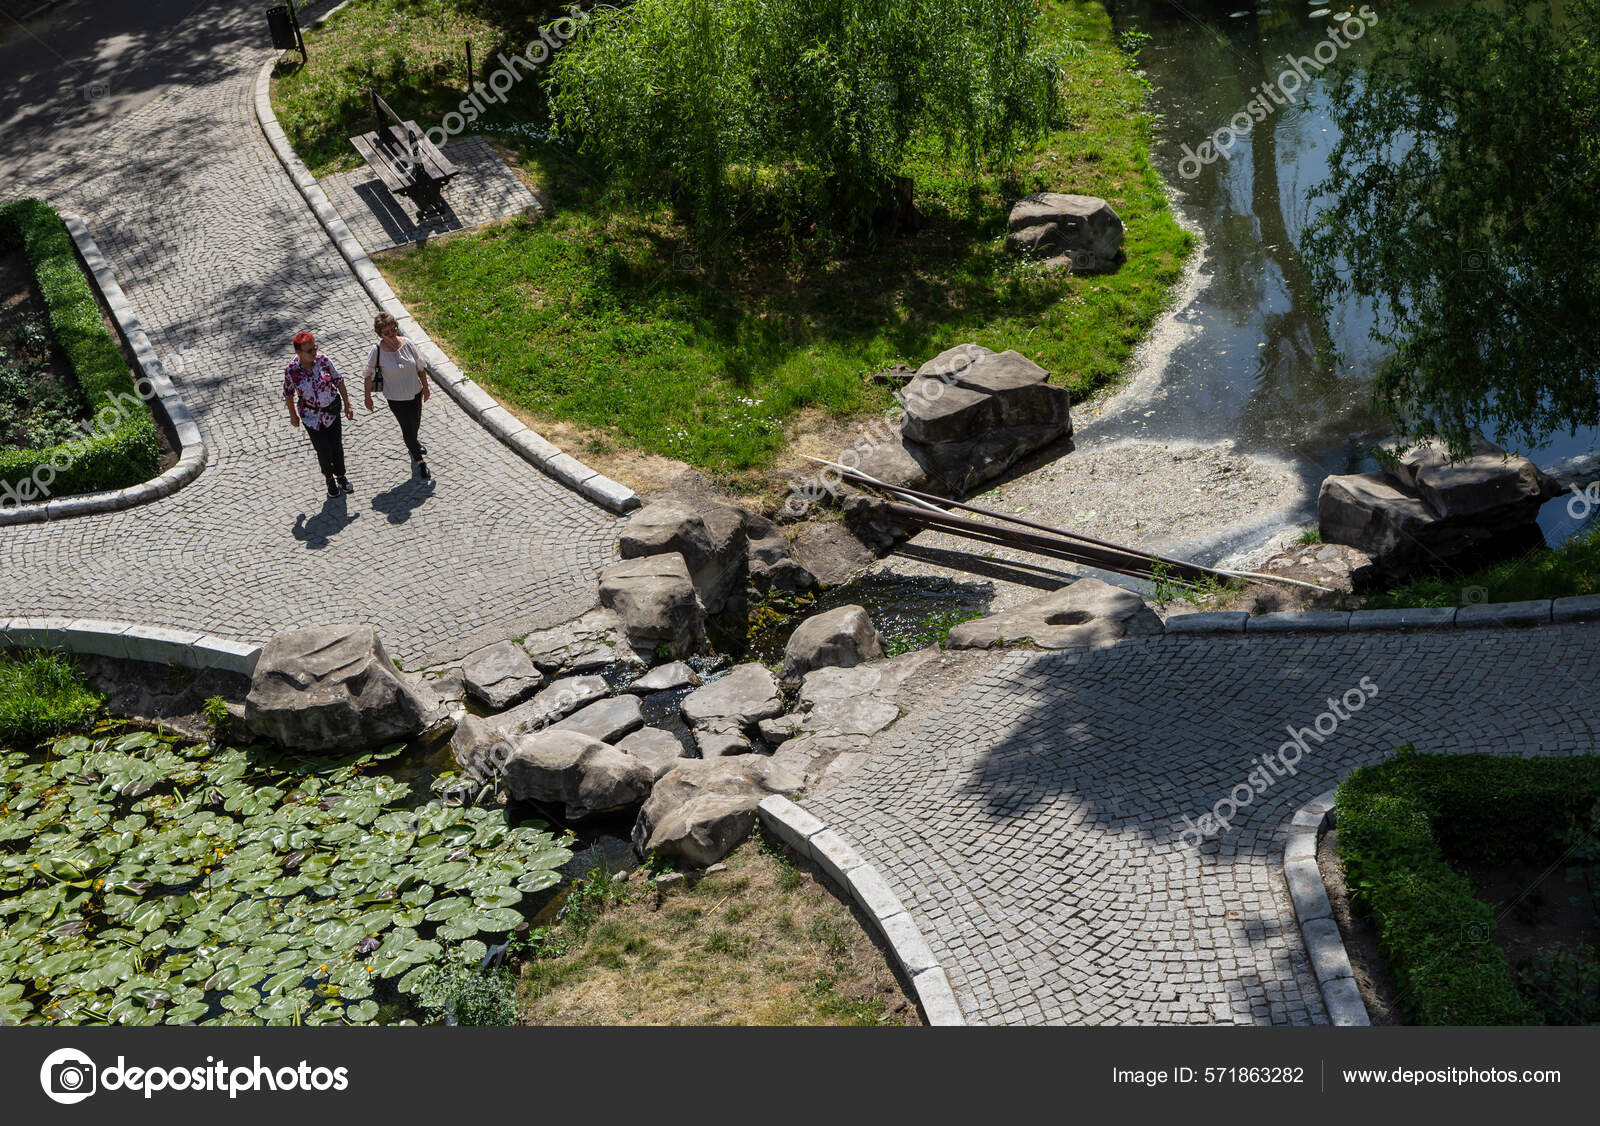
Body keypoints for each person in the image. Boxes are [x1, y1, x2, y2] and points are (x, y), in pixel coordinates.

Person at [283, 330, 355, 498]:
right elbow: (288, 393)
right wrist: (293, 416)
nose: (314, 352)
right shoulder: (292, 370)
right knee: (323, 449)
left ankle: (341, 477)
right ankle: (329, 479)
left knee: (336, 446)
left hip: (331, 412)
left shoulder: (323, 361)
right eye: (309, 351)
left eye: (315, 348)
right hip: (310, 416)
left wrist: (347, 405)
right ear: (298, 352)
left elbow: (339, 381)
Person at [362, 312, 432, 480]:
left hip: (414, 392)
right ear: (380, 334)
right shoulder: (377, 351)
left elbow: (420, 367)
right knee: (407, 428)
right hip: (395, 398)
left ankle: (414, 444)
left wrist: (426, 387)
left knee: (415, 423)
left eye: (393, 330)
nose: (392, 334)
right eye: (387, 333)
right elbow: (368, 374)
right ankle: (420, 461)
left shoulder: (407, 343)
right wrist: (367, 397)